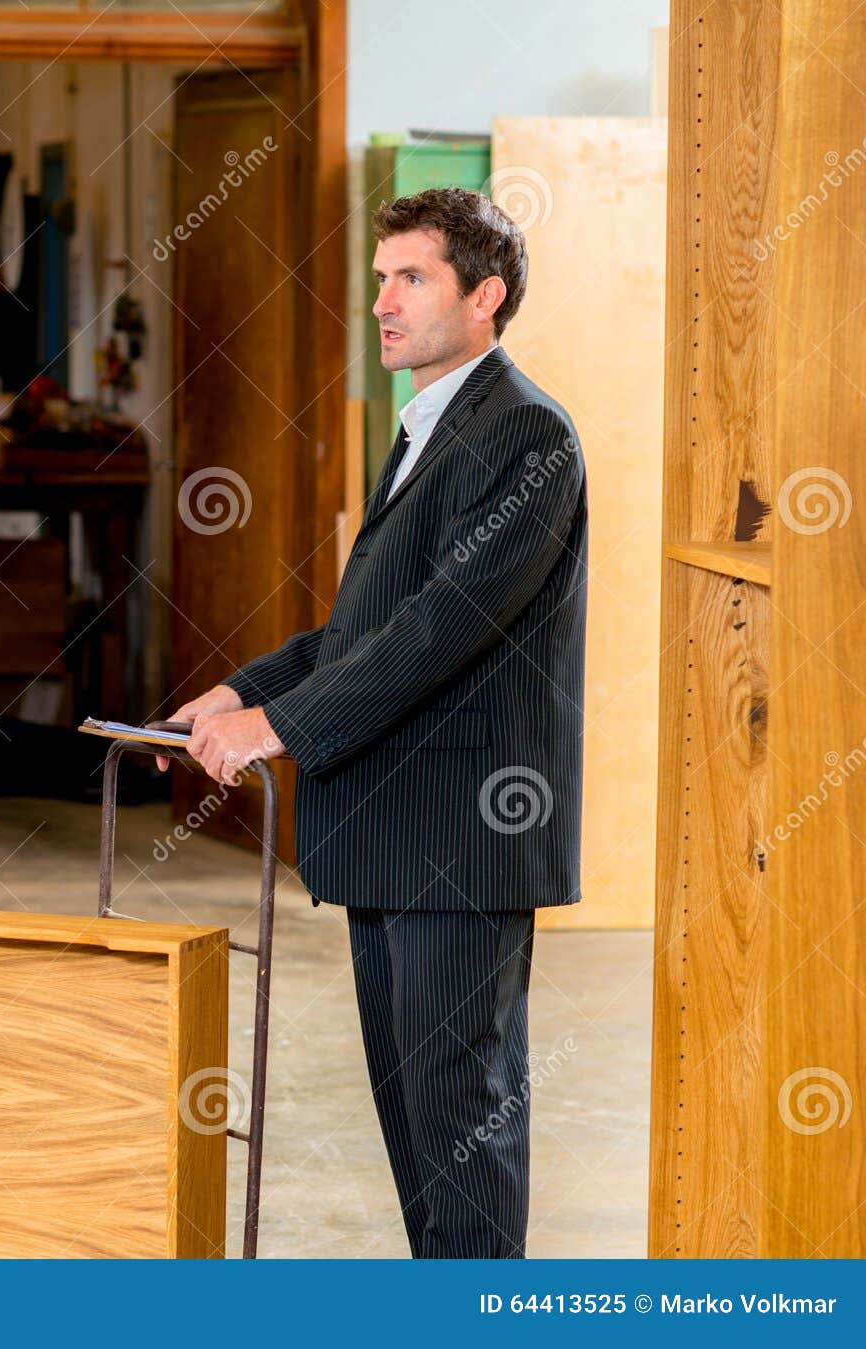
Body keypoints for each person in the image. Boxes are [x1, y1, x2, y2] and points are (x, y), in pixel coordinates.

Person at [161, 187, 588, 1258]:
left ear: (484, 296)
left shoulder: (526, 433)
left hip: (464, 833)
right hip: (395, 829)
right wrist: (243, 688)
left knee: (461, 1115)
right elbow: (372, 621)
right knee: (415, 1123)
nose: (382, 302)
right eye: (379, 277)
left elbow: (444, 625)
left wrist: (278, 726)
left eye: (411, 278)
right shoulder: (428, 425)